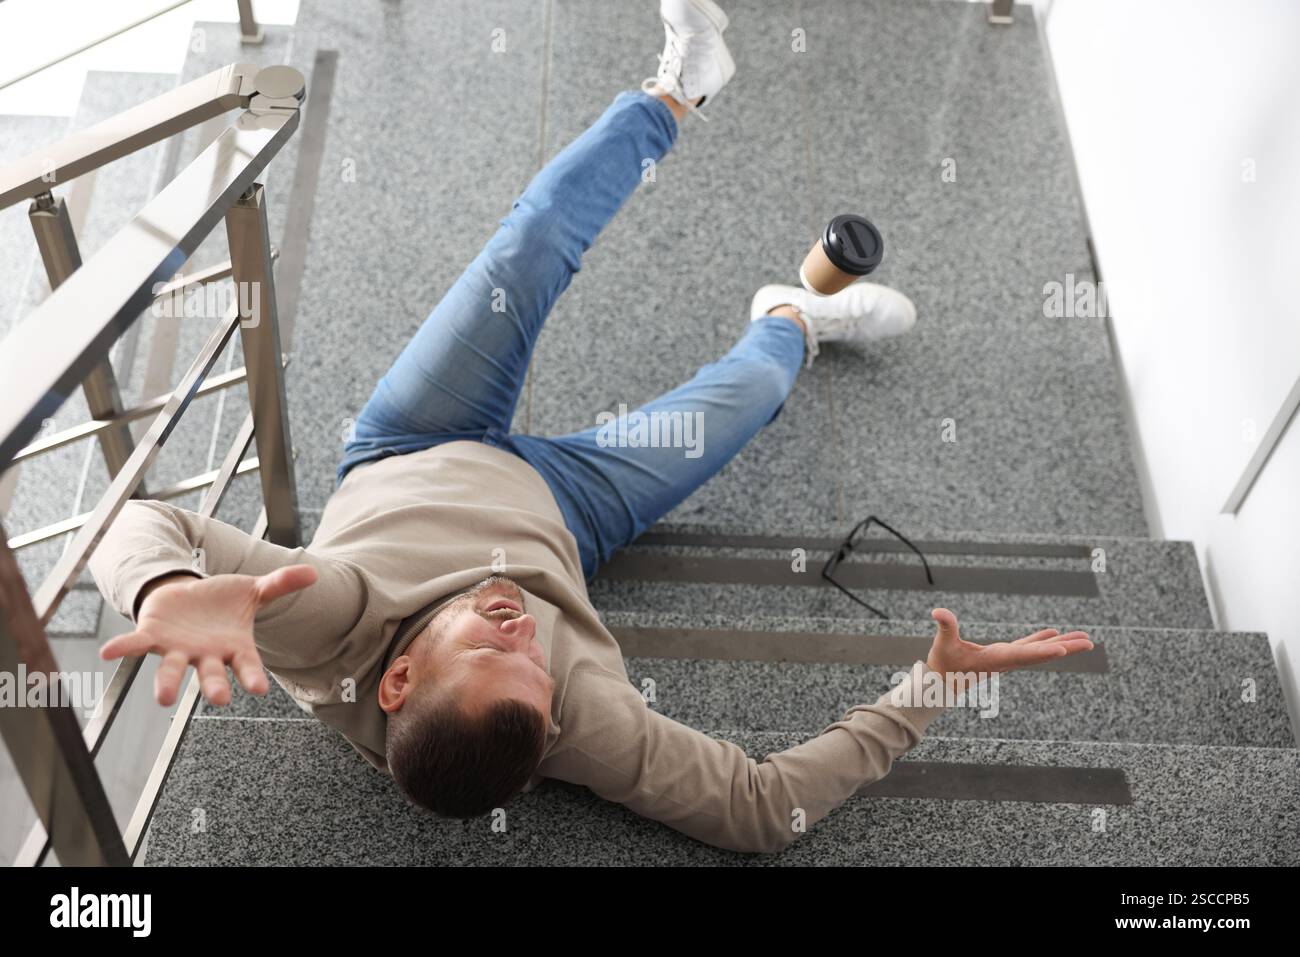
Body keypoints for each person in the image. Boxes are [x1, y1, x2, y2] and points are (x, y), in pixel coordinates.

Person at [91, 0, 1092, 854]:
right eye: (533, 659)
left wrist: (166, 586)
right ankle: (796, 314)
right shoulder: (574, 716)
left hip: (415, 442)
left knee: (528, 248)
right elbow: (757, 811)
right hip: (564, 515)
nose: (521, 625)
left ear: (397, 676)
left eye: (492, 646)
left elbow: (139, 522)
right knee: (742, 400)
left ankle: (678, 91)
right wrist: (929, 689)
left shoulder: (328, 627)